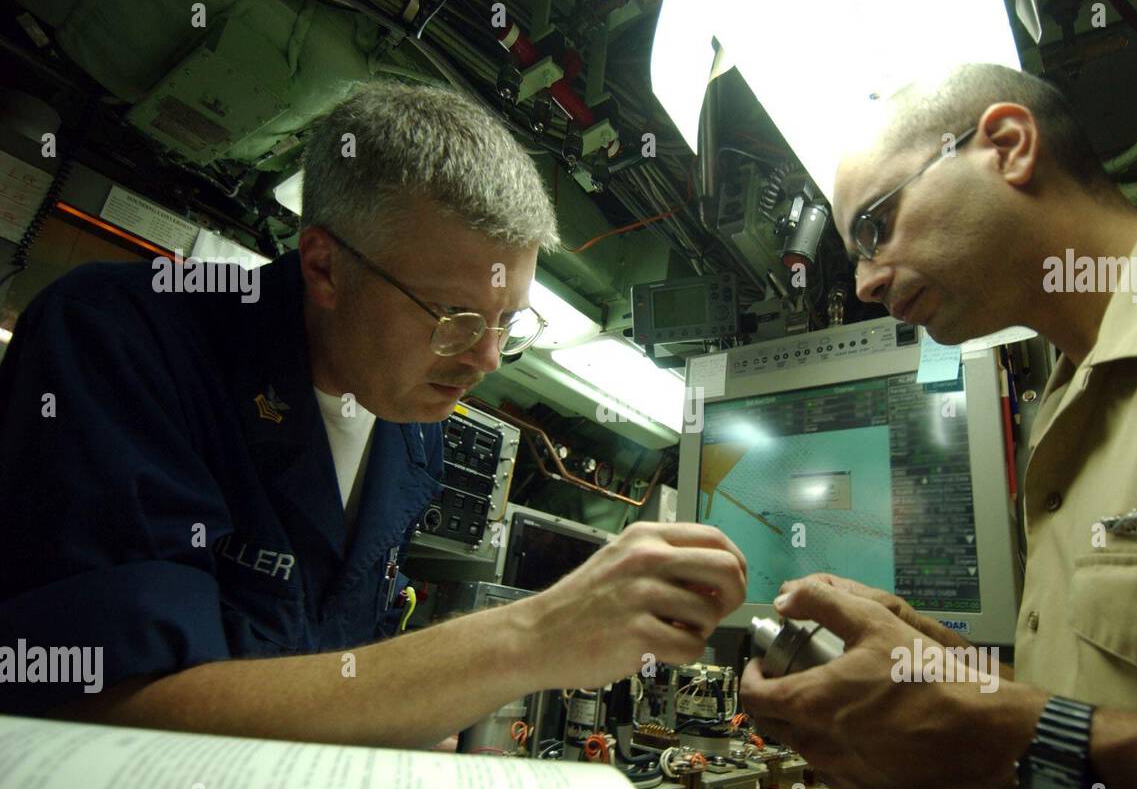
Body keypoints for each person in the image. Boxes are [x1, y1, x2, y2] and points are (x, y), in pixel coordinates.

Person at [0, 81, 747, 747]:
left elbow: (347, 654)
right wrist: (526, 638)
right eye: (454, 317)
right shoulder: (121, 343)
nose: (485, 359)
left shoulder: (414, 430)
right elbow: (102, 709)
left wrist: (414, 719)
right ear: (325, 266)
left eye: (508, 322)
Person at [742, 63, 1137, 789]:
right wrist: (947, 672)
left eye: (874, 228)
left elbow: (1059, 738)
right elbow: (1132, 711)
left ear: (1007, 145)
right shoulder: (1066, 416)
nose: (866, 282)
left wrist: (1018, 745)